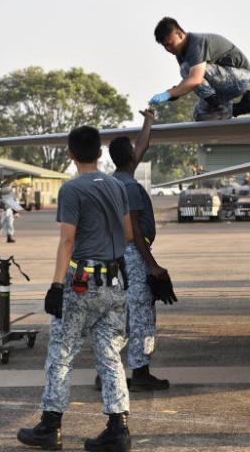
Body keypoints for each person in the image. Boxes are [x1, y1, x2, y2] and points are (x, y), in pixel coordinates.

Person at [17, 125, 134, 452]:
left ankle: (50, 426)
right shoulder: (117, 185)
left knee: (62, 353)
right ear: (99, 152)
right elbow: (127, 233)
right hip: (115, 283)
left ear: (71, 155)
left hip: (82, 284)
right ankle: (118, 428)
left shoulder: (72, 190)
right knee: (109, 354)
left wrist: (56, 285)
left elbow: (67, 241)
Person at [109, 110, 176, 391]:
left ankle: (108, 373)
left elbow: (141, 146)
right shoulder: (130, 187)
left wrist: (148, 121)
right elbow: (134, 230)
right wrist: (152, 265)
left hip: (116, 257)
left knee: (119, 316)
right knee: (140, 315)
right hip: (133, 255)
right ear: (130, 158)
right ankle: (140, 373)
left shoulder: (114, 180)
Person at [149, 17, 250, 121]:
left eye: (170, 44)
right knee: (199, 115)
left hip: (239, 78)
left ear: (180, 34)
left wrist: (168, 94)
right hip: (221, 83)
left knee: (187, 69)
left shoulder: (197, 43)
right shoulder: (180, 52)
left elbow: (195, 79)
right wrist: (174, 93)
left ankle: (220, 108)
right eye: (165, 46)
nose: (169, 49)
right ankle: (246, 106)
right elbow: (191, 80)